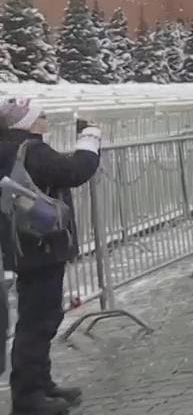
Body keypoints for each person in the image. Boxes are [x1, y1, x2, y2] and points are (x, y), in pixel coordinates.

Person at [0, 98, 101, 415]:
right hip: (41, 246)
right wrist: (90, 136)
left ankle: (40, 384)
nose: (45, 119)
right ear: (28, 123)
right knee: (37, 322)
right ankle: (28, 396)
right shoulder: (32, 150)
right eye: (40, 115)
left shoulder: (12, 150)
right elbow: (75, 171)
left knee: (40, 316)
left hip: (27, 245)